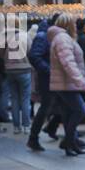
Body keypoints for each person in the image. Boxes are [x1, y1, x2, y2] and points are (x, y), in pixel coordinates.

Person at [47, 12, 85, 156]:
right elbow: (68, 62)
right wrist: (80, 81)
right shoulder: (63, 38)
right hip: (67, 84)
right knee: (80, 110)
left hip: (66, 83)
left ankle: (70, 144)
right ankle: (68, 142)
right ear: (69, 24)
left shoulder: (62, 38)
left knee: (67, 114)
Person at [3, 13, 36, 136]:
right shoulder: (25, 36)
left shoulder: (5, 37)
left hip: (10, 70)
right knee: (25, 98)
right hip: (24, 69)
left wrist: (7, 61)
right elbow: (31, 51)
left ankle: (16, 127)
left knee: (14, 98)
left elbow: (1, 52)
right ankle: (26, 126)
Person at [27, 17, 52, 151]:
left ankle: (70, 137)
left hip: (49, 76)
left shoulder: (46, 34)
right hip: (46, 78)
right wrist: (48, 70)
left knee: (56, 105)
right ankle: (33, 137)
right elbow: (34, 56)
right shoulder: (43, 36)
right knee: (45, 107)